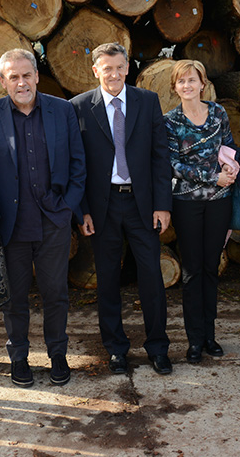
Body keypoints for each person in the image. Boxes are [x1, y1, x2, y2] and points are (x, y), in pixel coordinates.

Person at [0, 49, 86, 387]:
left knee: (55, 294)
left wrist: (67, 208)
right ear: (2, 81)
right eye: (13, 77)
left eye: (26, 75)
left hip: (54, 220)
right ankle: (18, 358)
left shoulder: (62, 110)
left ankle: (57, 354)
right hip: (11, 223)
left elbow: (79, 165)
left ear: (37, 76)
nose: (21, 82)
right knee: (14, 297)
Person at [71, 42, 174, 376]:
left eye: (119, 67)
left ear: (127, 68)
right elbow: (78, 164)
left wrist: (162, 204)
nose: (113, 74)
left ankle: (158, 347)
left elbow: (161, 156)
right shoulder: (80, 107)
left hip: (142, 204)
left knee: (151, 278)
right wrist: (83, 210)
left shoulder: (147, 102)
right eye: (106, 68)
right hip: (103, 207)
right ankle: (115, 348)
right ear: (95, 70)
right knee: (108, 279)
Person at [164, 60, 237, 363]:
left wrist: (231, 167)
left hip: (220, 200)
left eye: (192, 80)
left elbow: (228, 145)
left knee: (211, 268)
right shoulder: (170, 121)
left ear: (202, 83)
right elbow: (173, 164)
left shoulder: (218, 113)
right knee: (193, 272)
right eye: (181, 82)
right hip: (187, 203)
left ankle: (210, 336)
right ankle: (194, 340)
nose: (187, 86)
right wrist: (212, 177)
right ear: (175, 87)